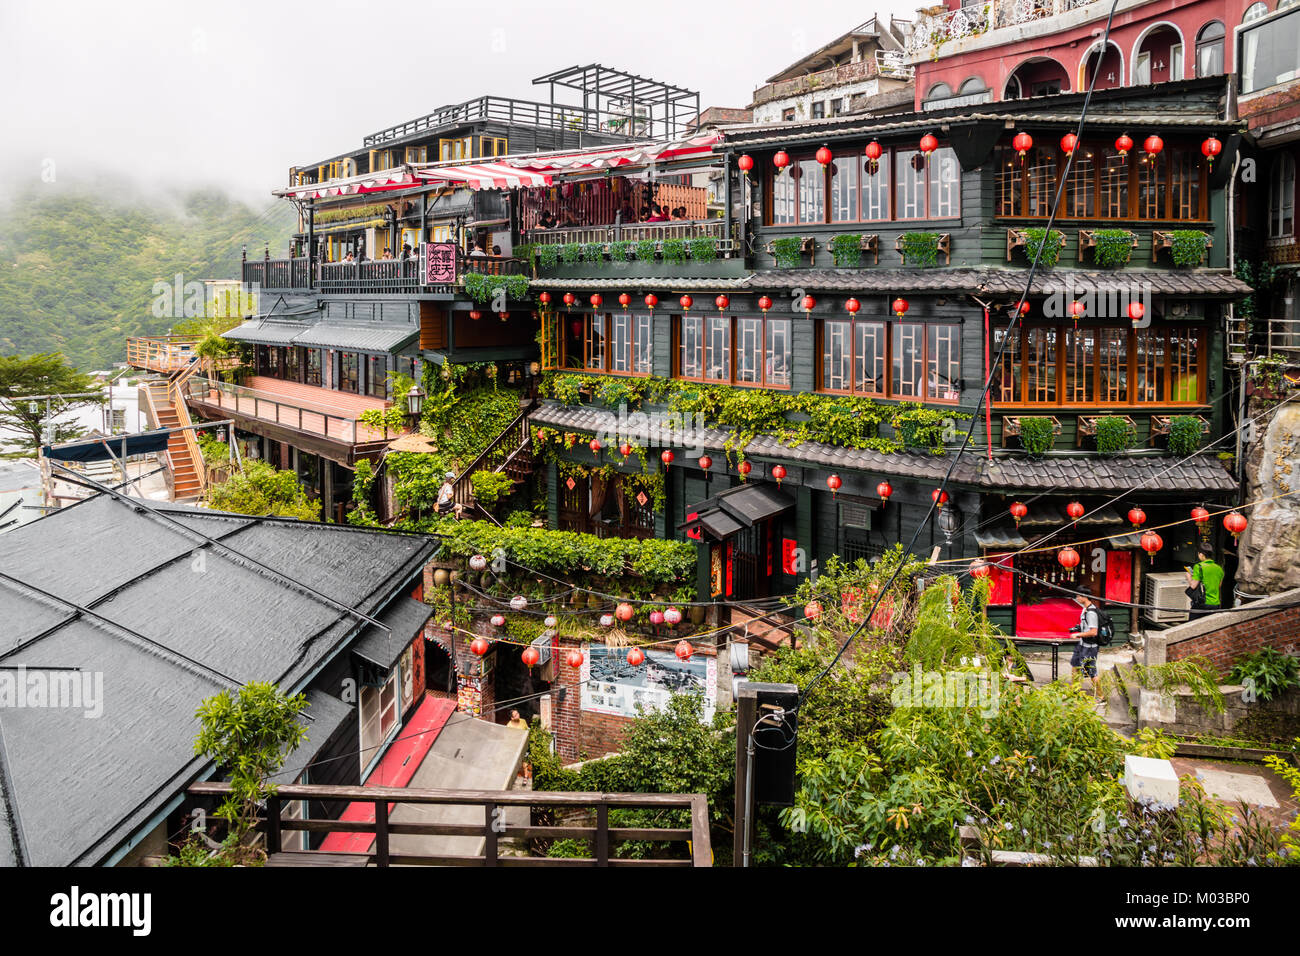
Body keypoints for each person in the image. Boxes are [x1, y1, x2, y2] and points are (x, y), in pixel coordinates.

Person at [1069, 585, 1102, 695]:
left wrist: (1078, 634)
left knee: (1092, 672)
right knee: (1075, 667)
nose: (1077, 598)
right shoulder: (1085, 609)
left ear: (1084, 597)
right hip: (1082, 645)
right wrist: (1078, 628)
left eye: (1078, 596)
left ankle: (1101, 696)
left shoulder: (1091, 612)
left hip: (1090, 647)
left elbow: (1094, 632)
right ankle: (1074, 691)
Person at [1185, 548, 1225, 616]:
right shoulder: (1219, 568)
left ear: (1201, 554)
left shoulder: (1199, 566)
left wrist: (1188, 576)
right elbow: (1219, 586)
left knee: (1193, 624)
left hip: (1202, 603)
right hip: (1215, 604)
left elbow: (1193, 586)